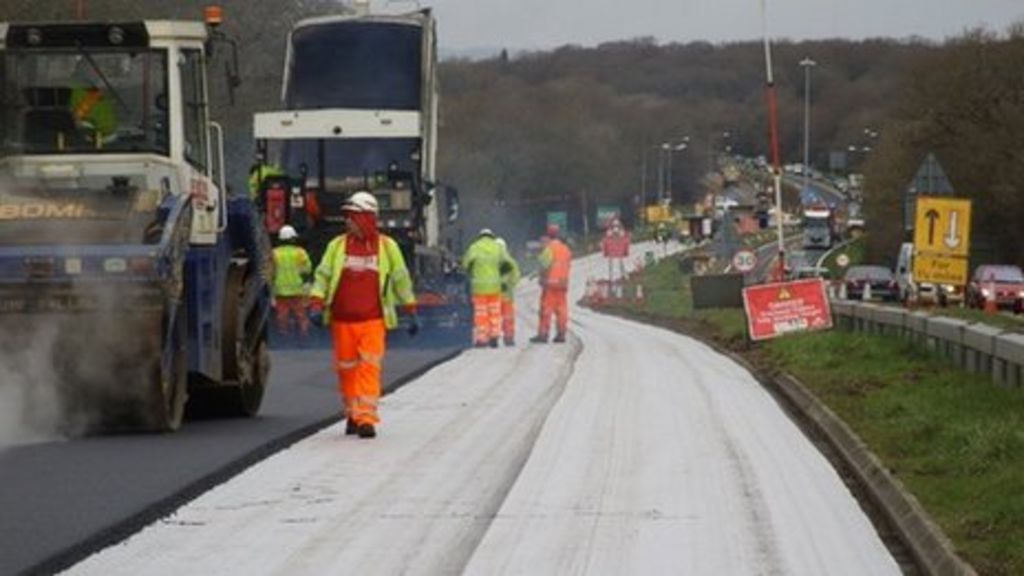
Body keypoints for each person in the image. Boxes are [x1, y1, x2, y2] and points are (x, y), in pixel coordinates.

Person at [308, 191, 419, 439]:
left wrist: (411, 309)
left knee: (369, 368)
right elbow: (323, 276)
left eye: (353, 217)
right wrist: (316, 302)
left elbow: (401, 279)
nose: (348, 222)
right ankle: (352, 414)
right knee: (347, 370)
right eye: (347, 217)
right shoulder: (337, 246)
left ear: (367, 218)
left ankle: (366, 419)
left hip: (373, 321)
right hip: (342, 321)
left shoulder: (387, 248)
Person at [462, 228, 516, 348]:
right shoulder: (498, 248)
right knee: (494, 313)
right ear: (492, 236)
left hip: (479, 288)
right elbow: (507, 263)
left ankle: (482, 339)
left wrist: (470, 270)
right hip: (495, 287)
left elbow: (465, 264)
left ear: (480, 236)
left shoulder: (474, 247)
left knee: (481, 314)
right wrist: (502, 275)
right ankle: (494, 337)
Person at [531, 224, 572, 344]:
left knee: (546, 309)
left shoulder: (549, 249)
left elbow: (543, 264)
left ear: (548, 235)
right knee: (562, 310)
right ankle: (561, 334)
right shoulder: (566, 249)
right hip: (562, 284)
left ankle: (543, 335)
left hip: (549, 284)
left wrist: (541, 277)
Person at [272, 225, 313, 342]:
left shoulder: (274, 253)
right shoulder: (300, 253)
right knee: (301, 316)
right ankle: (304, 339)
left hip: (280, 291)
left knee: (282, 317)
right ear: (293, 238)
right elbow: (308, 269)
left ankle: (284, 339)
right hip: (297, 290)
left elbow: (270, 271)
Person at [495, 237, 521, 346]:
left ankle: (493, 337)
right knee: (508, 317)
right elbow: (516, 277)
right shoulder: (510, 261)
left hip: (494, 295)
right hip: (507, 295)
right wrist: (509, 285)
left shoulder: (491, 260)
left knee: (494, 317)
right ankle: (509, 337)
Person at [601, 218, 631, 284]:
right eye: (614, 225)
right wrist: (605, 252)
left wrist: (626, 252)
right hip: (613, 252)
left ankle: (622, 275)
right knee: (613, 264)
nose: (615, 228)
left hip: (617, 252)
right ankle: (612, 277)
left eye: (617, 225)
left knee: (620, 264)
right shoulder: (610, 234)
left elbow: (626, 243)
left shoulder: (620, 234)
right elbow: (605, 243)